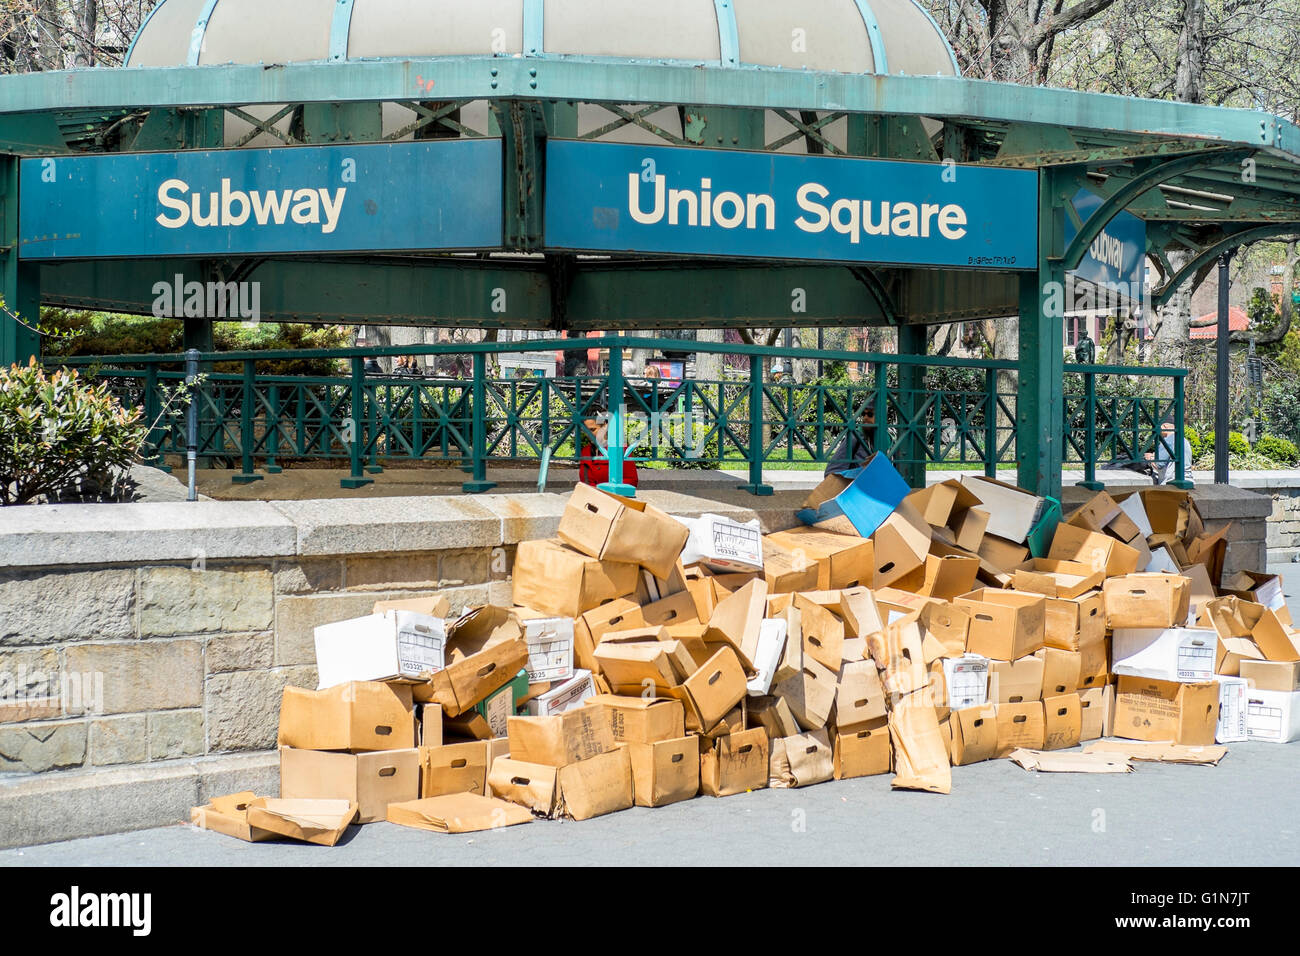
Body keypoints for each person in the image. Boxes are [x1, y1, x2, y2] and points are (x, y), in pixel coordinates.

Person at [578, 408, 639, 488]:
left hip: (614, 497)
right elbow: (585, 482)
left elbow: (632, 480)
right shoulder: (585, 451)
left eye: (592, 430)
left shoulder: (620, 449)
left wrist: (605, 490)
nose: (588, 434)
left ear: (605, 426)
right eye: (586, 431)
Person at [825, 407, 877, 476]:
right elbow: (832, 472)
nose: (865, 417)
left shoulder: (892, 440)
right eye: (863, 414)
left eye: (870, 414)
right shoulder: (855, 437)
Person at [1146, 418, 1193, 485]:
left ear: (1165, 426)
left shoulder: (1168, 441)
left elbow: (1158, 464)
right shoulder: (1184, 440)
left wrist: (1149, 457)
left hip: (1172, 483)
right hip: (1188, 481)